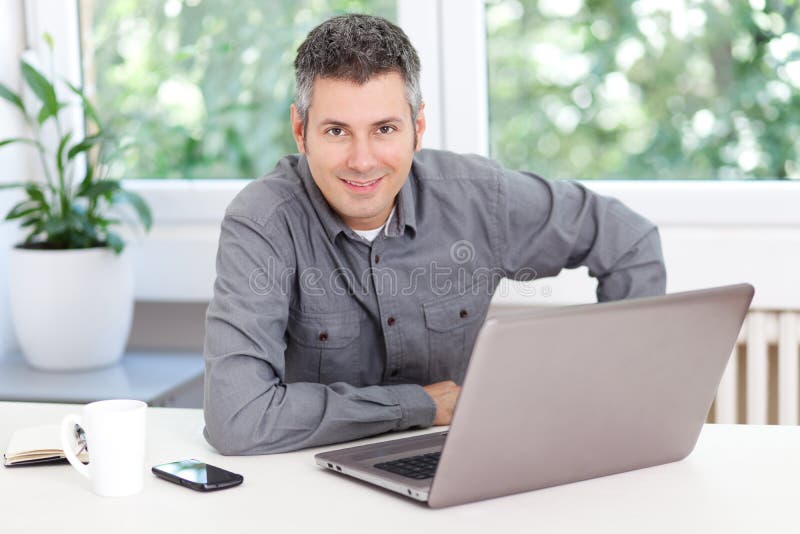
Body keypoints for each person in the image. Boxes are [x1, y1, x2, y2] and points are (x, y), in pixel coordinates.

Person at [203, 14, 666, 455]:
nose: (363, 161)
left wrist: (614, 388)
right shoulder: (261, 222)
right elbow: (237, 417)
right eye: (337, 131)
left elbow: (629, 241)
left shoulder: (478, 198)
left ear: (417, 128)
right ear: (301, 132)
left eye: (384, 129)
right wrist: (418, 405)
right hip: (309, 478)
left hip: (458, 464)